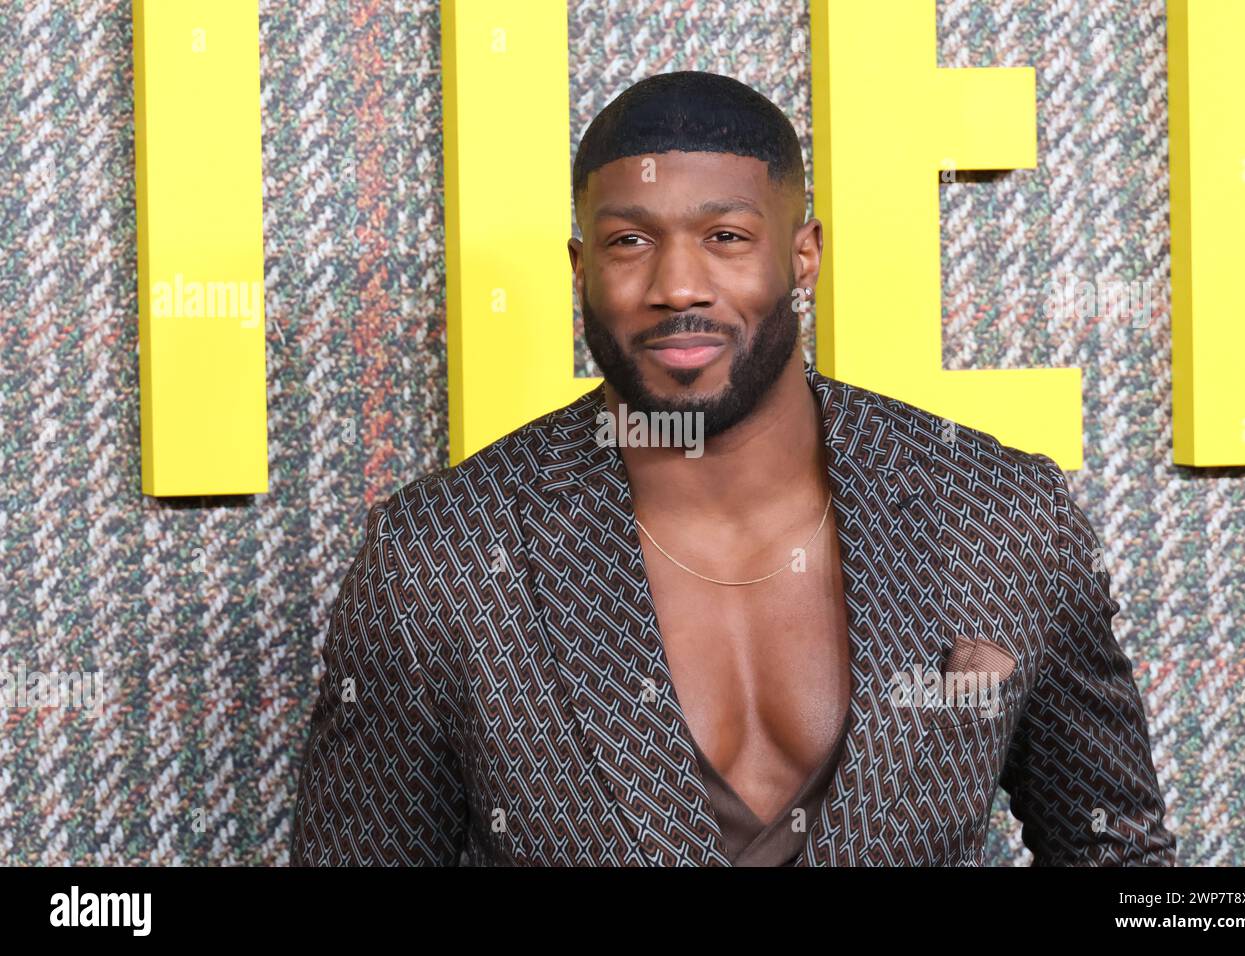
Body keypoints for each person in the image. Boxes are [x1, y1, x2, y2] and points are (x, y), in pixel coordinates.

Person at [290, 70, 1176, 866]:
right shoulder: (439, 554)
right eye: (630, 242)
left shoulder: (998, 517)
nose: (678, 284)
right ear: (580, 271)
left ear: (804, 254)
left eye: (724, 235)